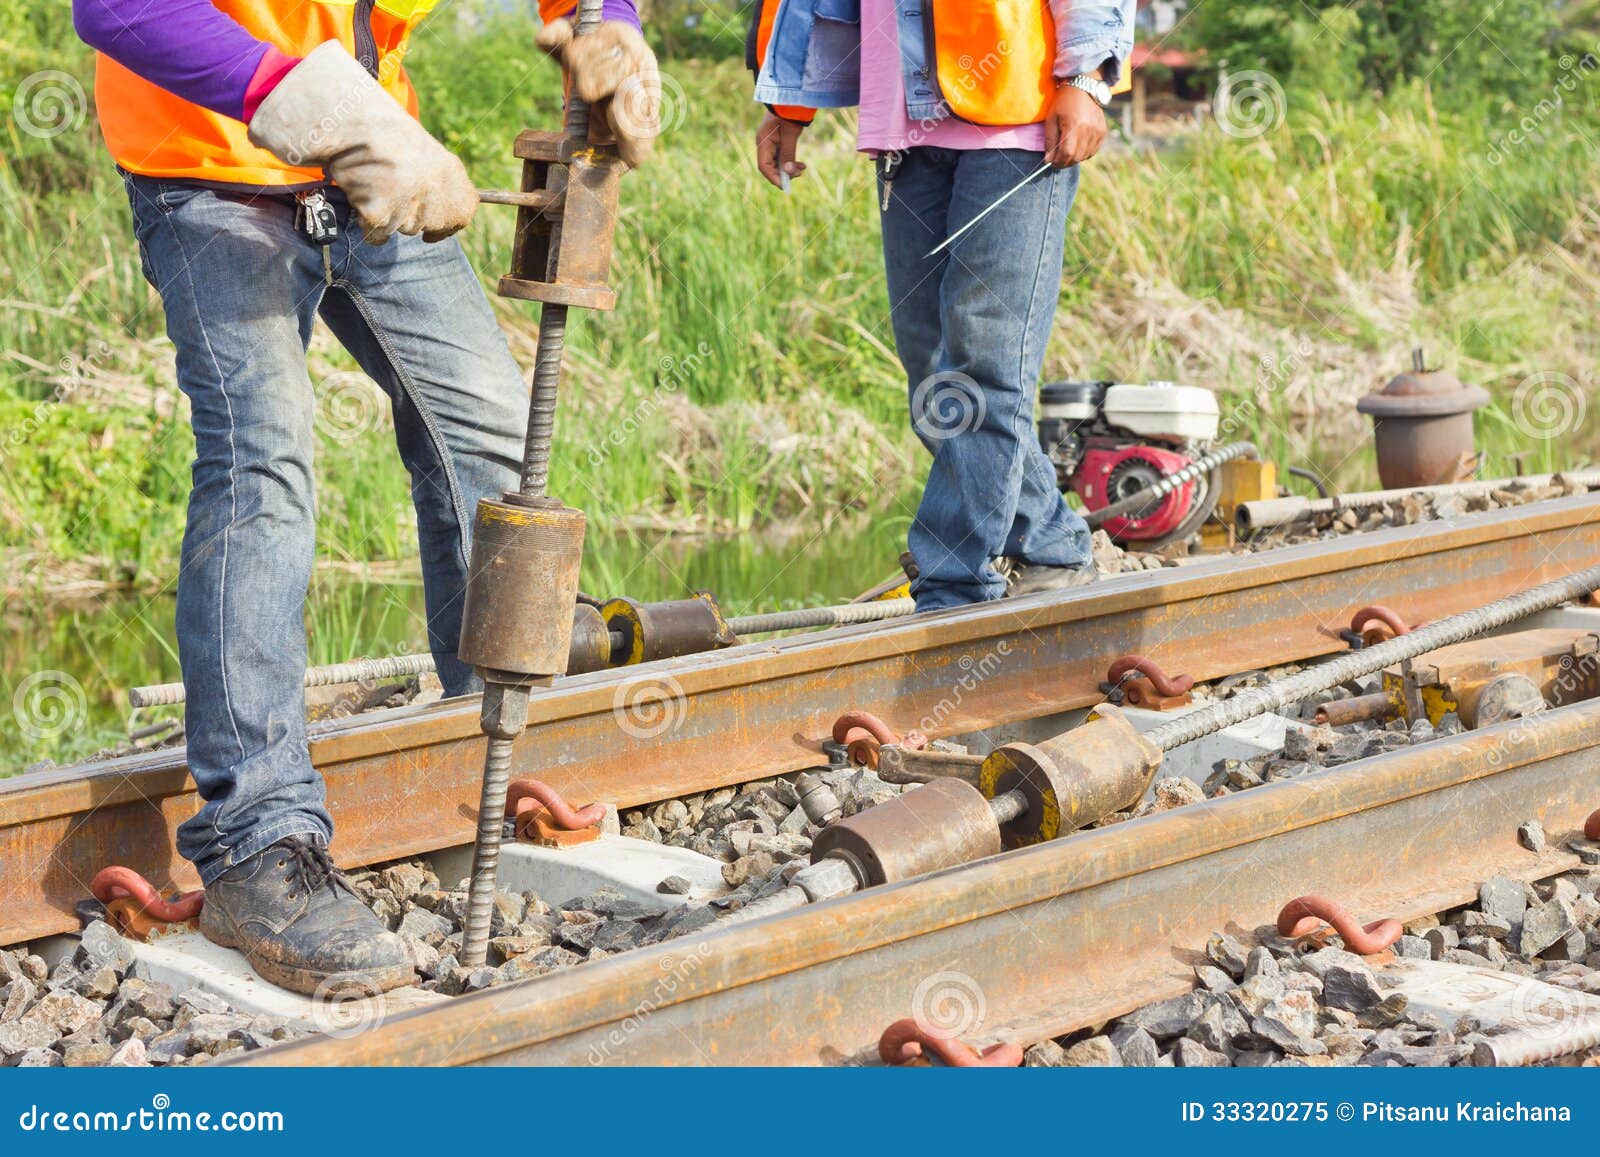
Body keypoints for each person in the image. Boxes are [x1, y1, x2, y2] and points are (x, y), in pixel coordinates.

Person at [70, 0, 657, 994]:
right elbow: (118, 8)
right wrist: (300, 96)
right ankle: (259, 845)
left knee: (493, 440)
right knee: (265, 469)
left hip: (373, 159)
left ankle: (483, 753)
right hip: (209, 173)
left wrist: (612, 24)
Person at [750, 0, 1134, 611]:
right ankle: (1052, 545)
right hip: (903, 123)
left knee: (985, 360)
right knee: (931, 367)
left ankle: (954, 586)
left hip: (1016, 119)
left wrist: (1085, 77)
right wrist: (789, 103)